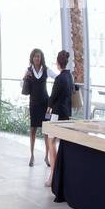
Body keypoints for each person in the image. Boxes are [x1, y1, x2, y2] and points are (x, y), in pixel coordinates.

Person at [45, 50, 75, 188]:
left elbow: (53, 97)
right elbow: (72, 93)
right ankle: (57, 176)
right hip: (66, 114)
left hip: (56, 114)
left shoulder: (59, 78)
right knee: (60, 142)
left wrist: (48, 109)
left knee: (51, 142)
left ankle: (53, 176)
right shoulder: (70, 77)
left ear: (58, 63)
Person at [22, 49, 50, 168]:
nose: (37, 59)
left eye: (38, 56)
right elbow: (21, 86)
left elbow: (58, 77)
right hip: (33, 104)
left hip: (45, 104)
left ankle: (47, 156)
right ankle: (32, 156)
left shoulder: (46, 70)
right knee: (33, 129)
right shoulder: (29, 71)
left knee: (46, 131)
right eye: (35, 57)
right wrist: (24, 77)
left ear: (41, 58)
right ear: (32, 58)